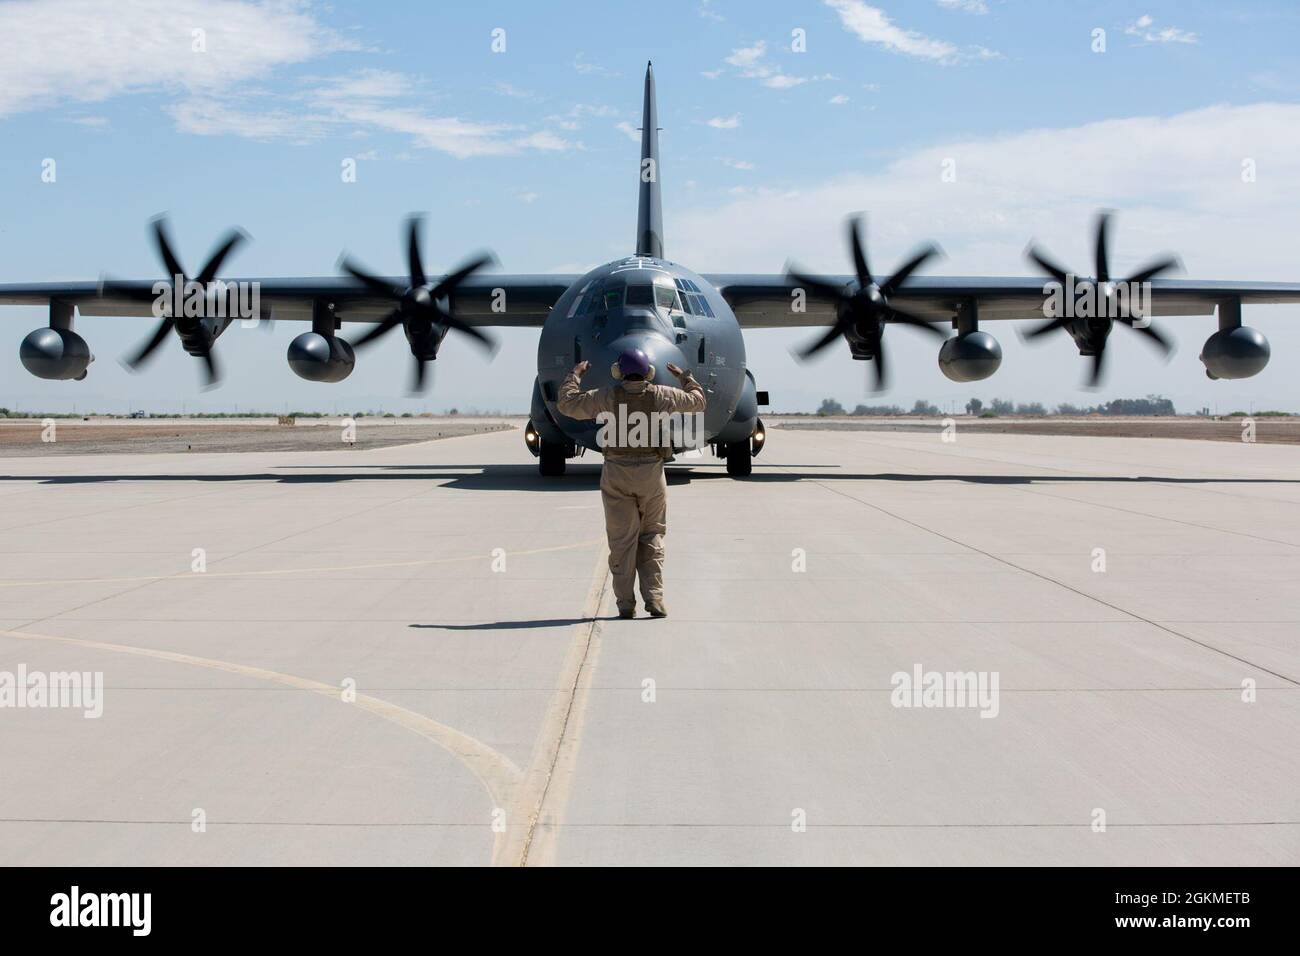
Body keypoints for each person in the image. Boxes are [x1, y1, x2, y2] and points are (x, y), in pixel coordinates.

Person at [556, 347, 707, 618]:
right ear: (648, 371)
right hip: (651, 473)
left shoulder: (606, 396)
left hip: (616, 472)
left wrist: (574, 375)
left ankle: (626, 604)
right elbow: (698, 402)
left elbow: (567, 404)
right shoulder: (663, 394)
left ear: (618, 372)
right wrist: (685, 377)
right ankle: (655, 598)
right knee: (652, 536)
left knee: (622, 542)